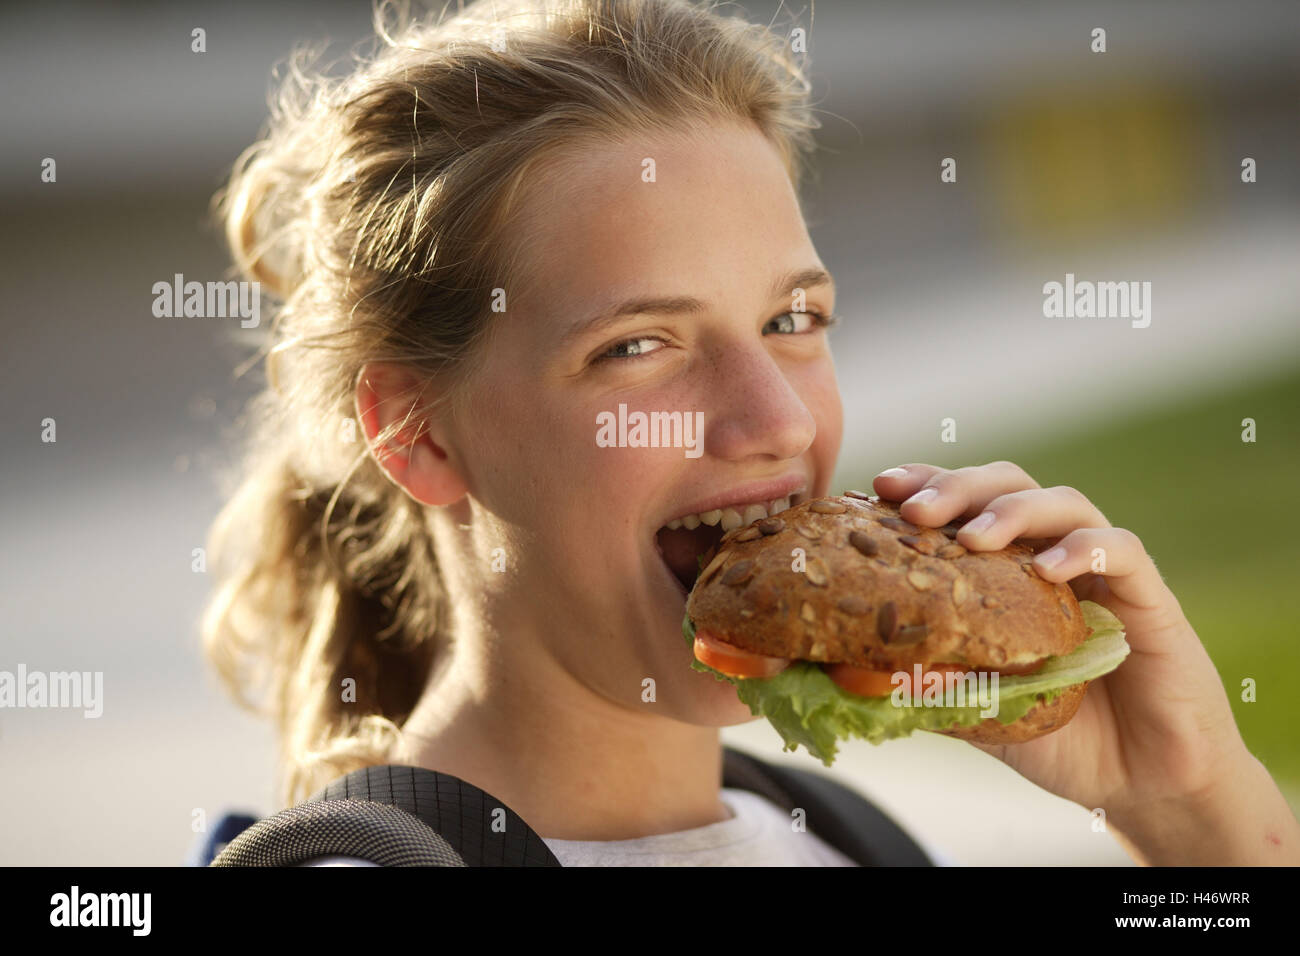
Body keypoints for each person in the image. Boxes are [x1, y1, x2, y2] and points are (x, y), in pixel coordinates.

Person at [202, 0, 1299, 866]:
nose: (775, 419)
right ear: (417, 432)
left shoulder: (864, 847)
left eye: (791, 320)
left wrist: (1183, 802)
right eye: (637, 345)